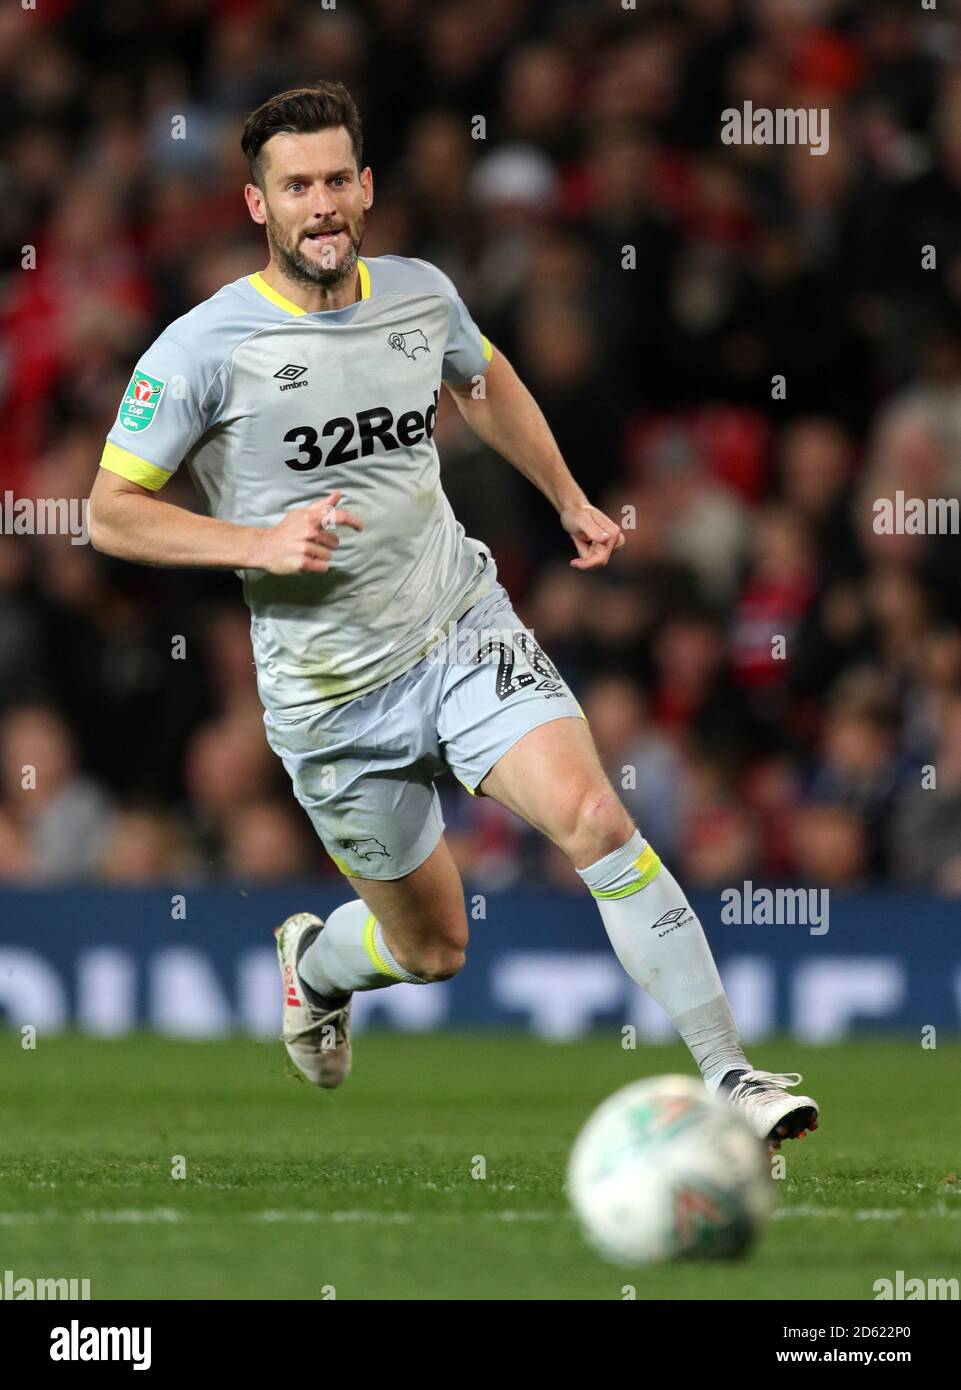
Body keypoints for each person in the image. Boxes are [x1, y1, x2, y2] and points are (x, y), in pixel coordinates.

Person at [88, 81, 817, 1149]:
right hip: (329, 696)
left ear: (367, 187)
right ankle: (314, 965)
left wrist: (567, 498)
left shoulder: (420, 295)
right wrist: (252, 543)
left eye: (338, 179)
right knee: (434, 949)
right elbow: (111, 512)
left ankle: (731, 1078)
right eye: (297, 186)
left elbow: (484, 380)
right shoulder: (203, 346)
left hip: (459, 628)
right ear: (259, 207)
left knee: (597, 819)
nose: (322, 202)